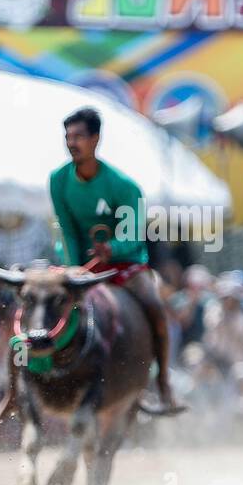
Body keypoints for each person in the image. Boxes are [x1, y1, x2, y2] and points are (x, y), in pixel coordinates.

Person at [49, 106, 180, 411]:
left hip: (127, 267)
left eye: (79, 136)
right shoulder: (58, 180)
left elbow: (134, 235)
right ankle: (37, 382)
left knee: (155, 309)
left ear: (96, 139)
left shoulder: (124, 186)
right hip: (81, 268)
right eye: (68, 136)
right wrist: (73, 268)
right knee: (42, 303)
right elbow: (67, 230)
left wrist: (113, 248)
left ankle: (162, 383)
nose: (72, 142)